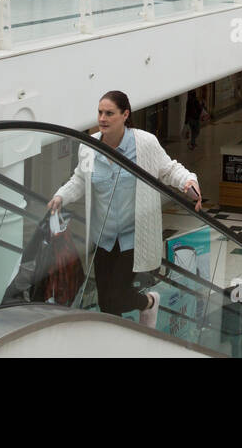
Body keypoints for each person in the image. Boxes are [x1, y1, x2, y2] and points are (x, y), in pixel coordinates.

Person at [47, 90, 201, 327]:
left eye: (109, 113)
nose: (102, 118)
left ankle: (149, 302)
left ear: (125, 115)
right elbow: (79, 179)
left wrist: (188, 181)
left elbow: (169, 169)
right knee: (105, 302)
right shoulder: (88, 148)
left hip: (133, 236)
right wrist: (60, 197)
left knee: (117, 296)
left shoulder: (145, 144)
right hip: (103, 236)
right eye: (100, 112)